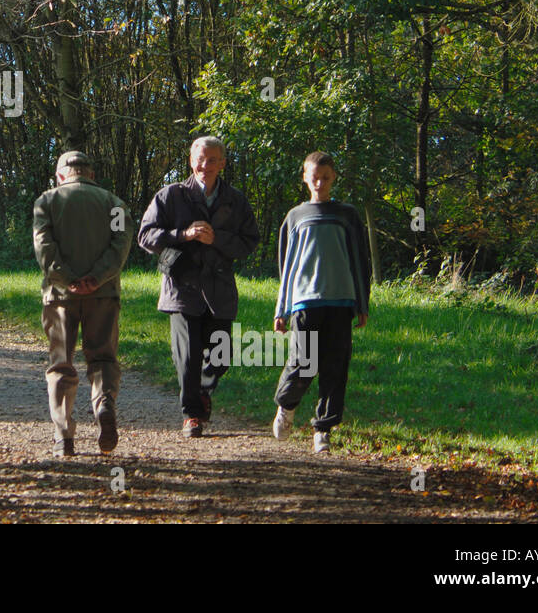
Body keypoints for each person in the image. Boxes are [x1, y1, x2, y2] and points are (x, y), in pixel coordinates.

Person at [137, 135, 259, 438]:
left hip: (219, 288)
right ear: (192, 161)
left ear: (223, 163)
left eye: (212, 159)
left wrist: (216, 238)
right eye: (200, 159)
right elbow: (145, 236)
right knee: (188, 356)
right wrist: (183, 234)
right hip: (182, 287)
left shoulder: (236, 199)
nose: (205, 165)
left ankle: (205, 390)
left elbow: (249, 242)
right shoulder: (170, 195)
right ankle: (191, 415)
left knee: (222, 355)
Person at [32, 151, 133, 457]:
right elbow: (120, 246)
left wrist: (68, 278)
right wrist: (97, 278)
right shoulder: (113, 203)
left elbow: (44, 248)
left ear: (61, 175)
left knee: (61, 363)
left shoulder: (46, 202)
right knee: (102, 359)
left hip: (60, 296)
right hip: (102, 295)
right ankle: (103, 406)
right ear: (90, 174)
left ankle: (64, 436)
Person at [271, 151, 371, 454]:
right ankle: (286, 407)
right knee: (304, 361)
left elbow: (359, 261)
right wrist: (282, 309)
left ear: (334, 178)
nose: (320, 182)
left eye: (326, 177)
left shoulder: (347, 215)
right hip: (305, 302)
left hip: (341, 302)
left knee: (335, 366)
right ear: (304, 177)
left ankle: (323, 429)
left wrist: (362, 303)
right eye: (314, 176)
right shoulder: (295, 217)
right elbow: (286, 267)